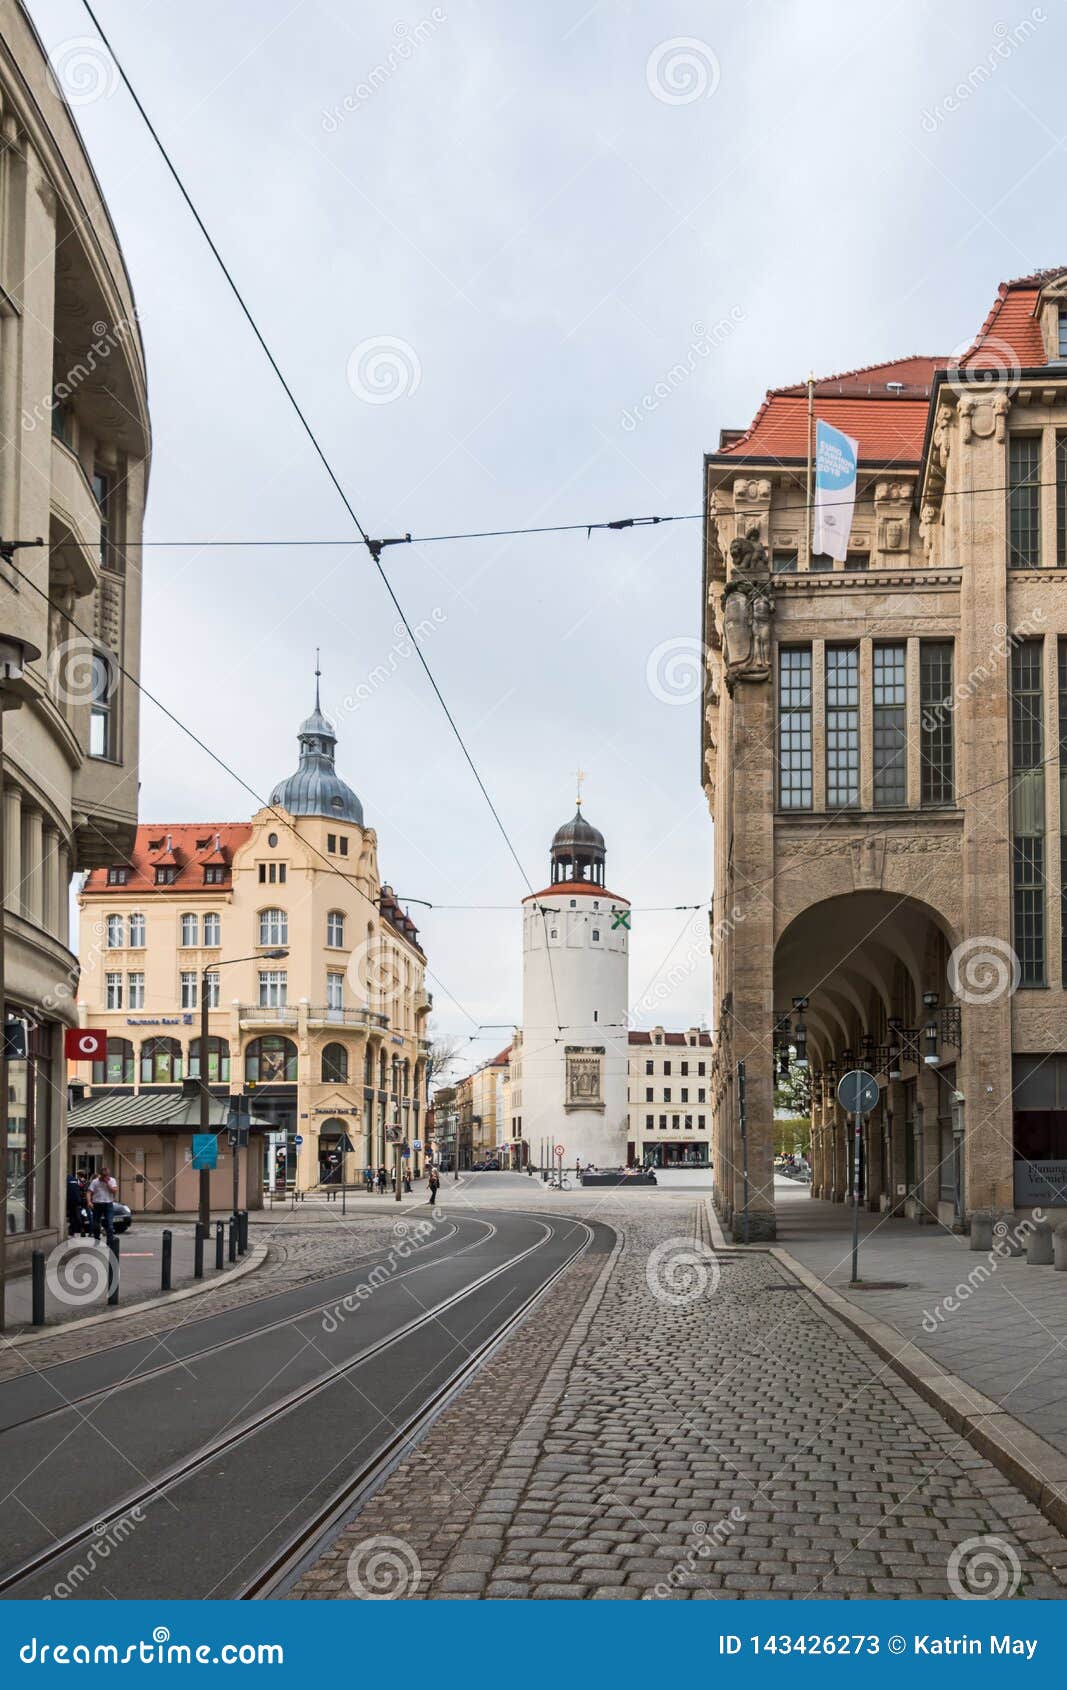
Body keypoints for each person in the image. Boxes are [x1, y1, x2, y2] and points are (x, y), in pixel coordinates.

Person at [88, 1166, 118, 1245]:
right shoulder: (95, 1181)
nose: (105, 1177)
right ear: (100, 1175)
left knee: (110, 1225)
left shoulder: (112, 1180)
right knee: (96, 1225)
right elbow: (89, 1192)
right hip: (97, 1204)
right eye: (103, 1176)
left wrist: (107, 1183)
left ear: (108, 1175)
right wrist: (89, 1202)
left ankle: (109, 1243)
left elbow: (114, 1191)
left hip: (108, 1204)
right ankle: (97, 1241)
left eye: (106, 1176)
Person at [66, 1171, 85, 1237]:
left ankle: (73, 1231)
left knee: (73, 1216)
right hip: (77, 1200)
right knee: (76, 1216)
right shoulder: (75, 1179)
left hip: (70, 1200)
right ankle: (79, 1230)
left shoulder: (66, 1179)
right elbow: (81, 1188)